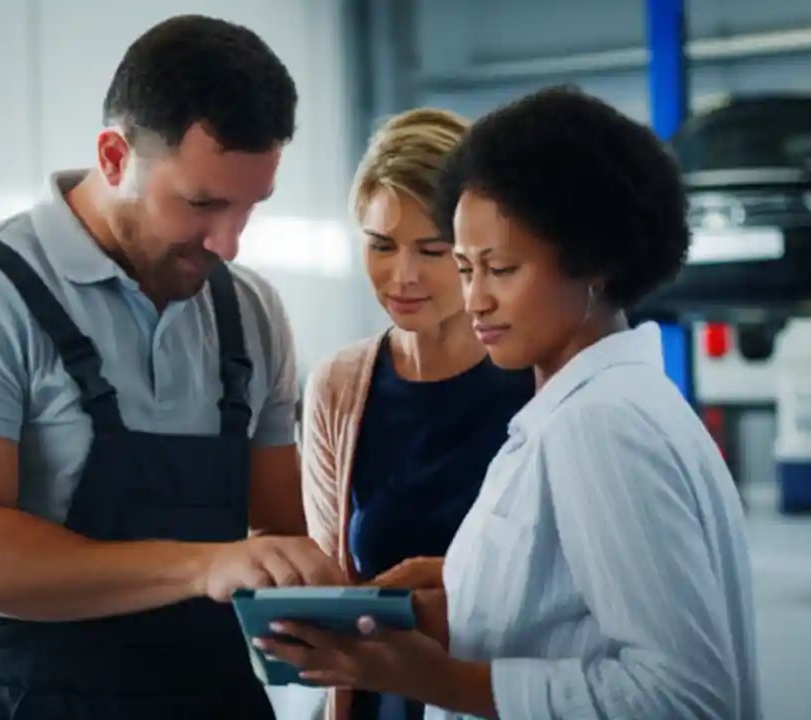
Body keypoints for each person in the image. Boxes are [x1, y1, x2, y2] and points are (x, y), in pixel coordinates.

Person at [258, 86, 760, 719]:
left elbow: (685, 699)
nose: (475, 300)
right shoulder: (592, 405)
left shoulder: (598, 427)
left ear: (593, 262)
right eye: (467, 270)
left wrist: (441, 681)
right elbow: (564, 611)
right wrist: (454, 594)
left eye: (500, 269)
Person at [0, 15, 345, 719]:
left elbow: (277, 529)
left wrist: (342, 606)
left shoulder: (252, 312)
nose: (228, 242)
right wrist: (202, 566)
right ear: (113, 156)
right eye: (202, 204)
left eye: (251, 206)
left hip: (214, 697)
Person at [301, 108, 534, 720]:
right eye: (380, 246)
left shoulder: (538, 382)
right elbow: (332, 579)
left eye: (432, 250)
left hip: (500, 700)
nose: (402, 277)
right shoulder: (339, 386)